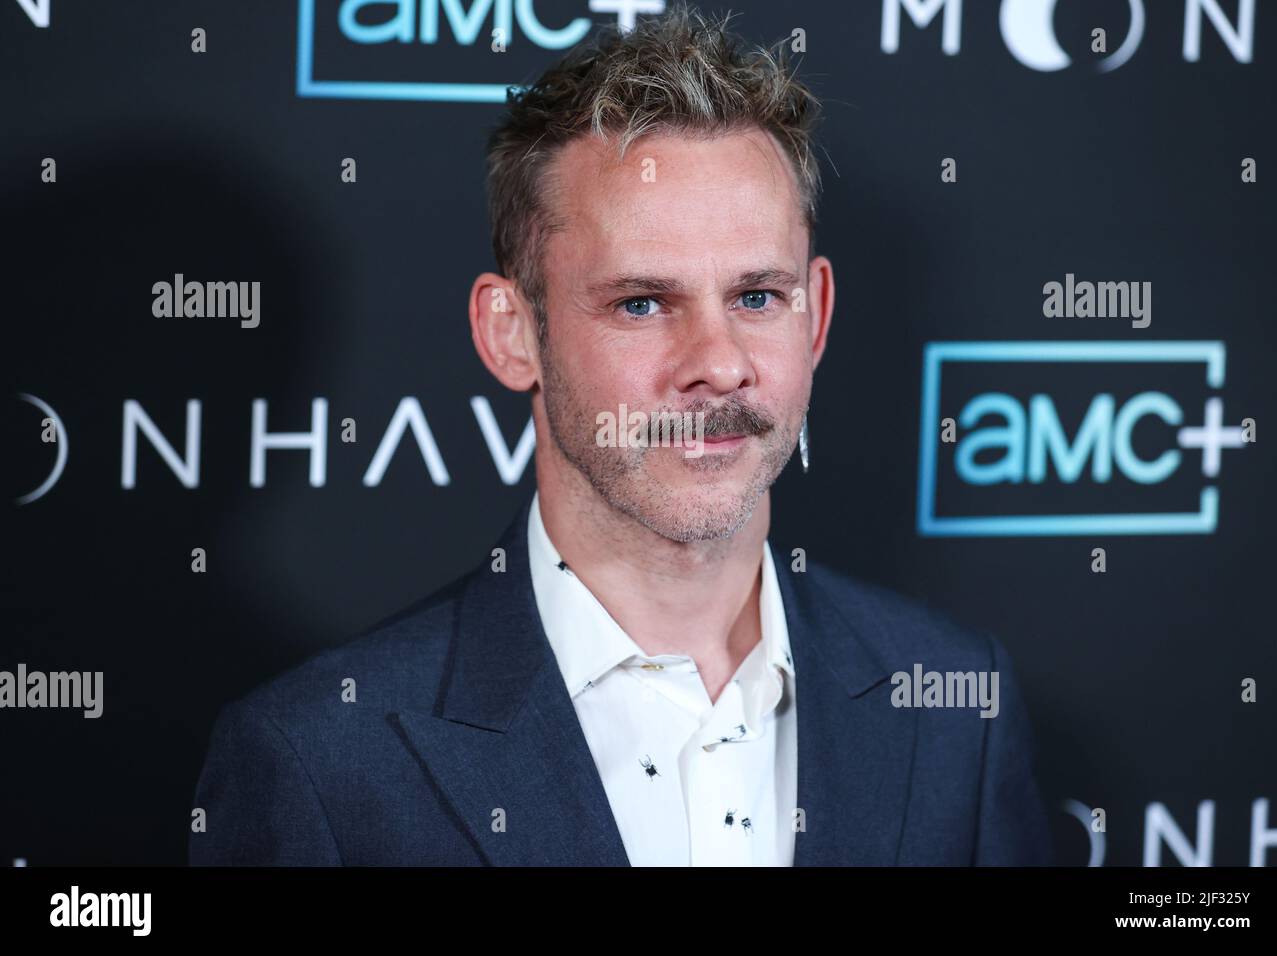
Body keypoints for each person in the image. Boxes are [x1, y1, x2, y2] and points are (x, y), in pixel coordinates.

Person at [190, 5, 1052, 866]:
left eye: (757, 297)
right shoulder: (320, 763)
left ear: (816, 316)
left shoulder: (952, 705)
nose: (718, 364)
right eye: (641, 303)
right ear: (512, 333)